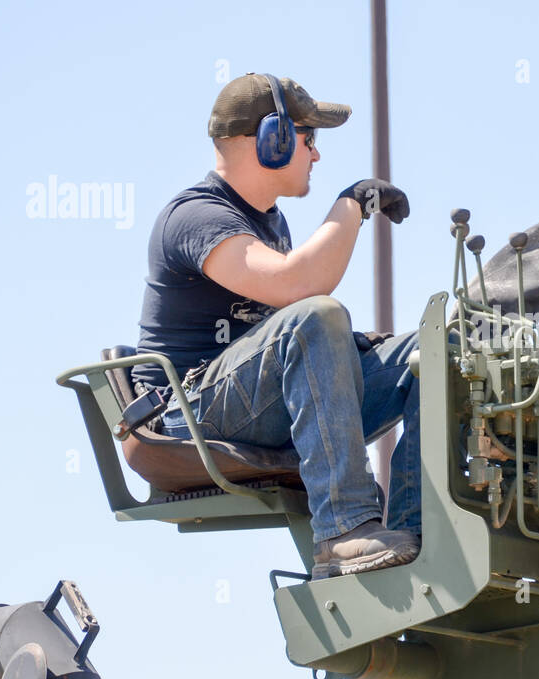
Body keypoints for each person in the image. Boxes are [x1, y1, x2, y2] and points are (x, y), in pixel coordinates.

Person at [129, 72, 421, 580]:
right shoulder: (197, 215)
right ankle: (346, 530)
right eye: (310, 139)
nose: (316, 155)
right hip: (187, 414)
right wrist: (351, 205)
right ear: (273, 139)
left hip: (254, 401)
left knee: (434, 350)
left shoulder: (271, 222)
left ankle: (418, 523)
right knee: (316, 316)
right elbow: (298, 289)